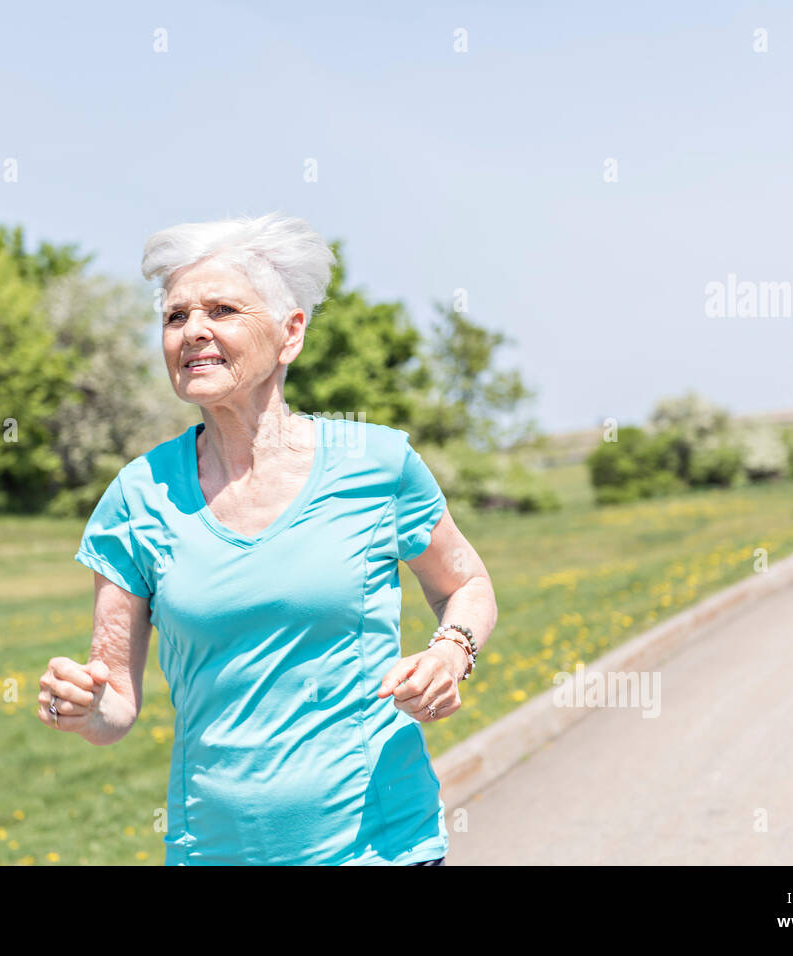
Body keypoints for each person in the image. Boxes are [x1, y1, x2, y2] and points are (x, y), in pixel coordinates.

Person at [38, 212, 498, 865]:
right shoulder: (136, 499)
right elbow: (115, 699)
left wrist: (451, 653)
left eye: (222, 310)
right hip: (214, 851)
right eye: (175, 317)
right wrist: (82, 706)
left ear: (290, 333)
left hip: (382, 846)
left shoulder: (378, 465)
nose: (193, 331)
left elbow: (468, 585)